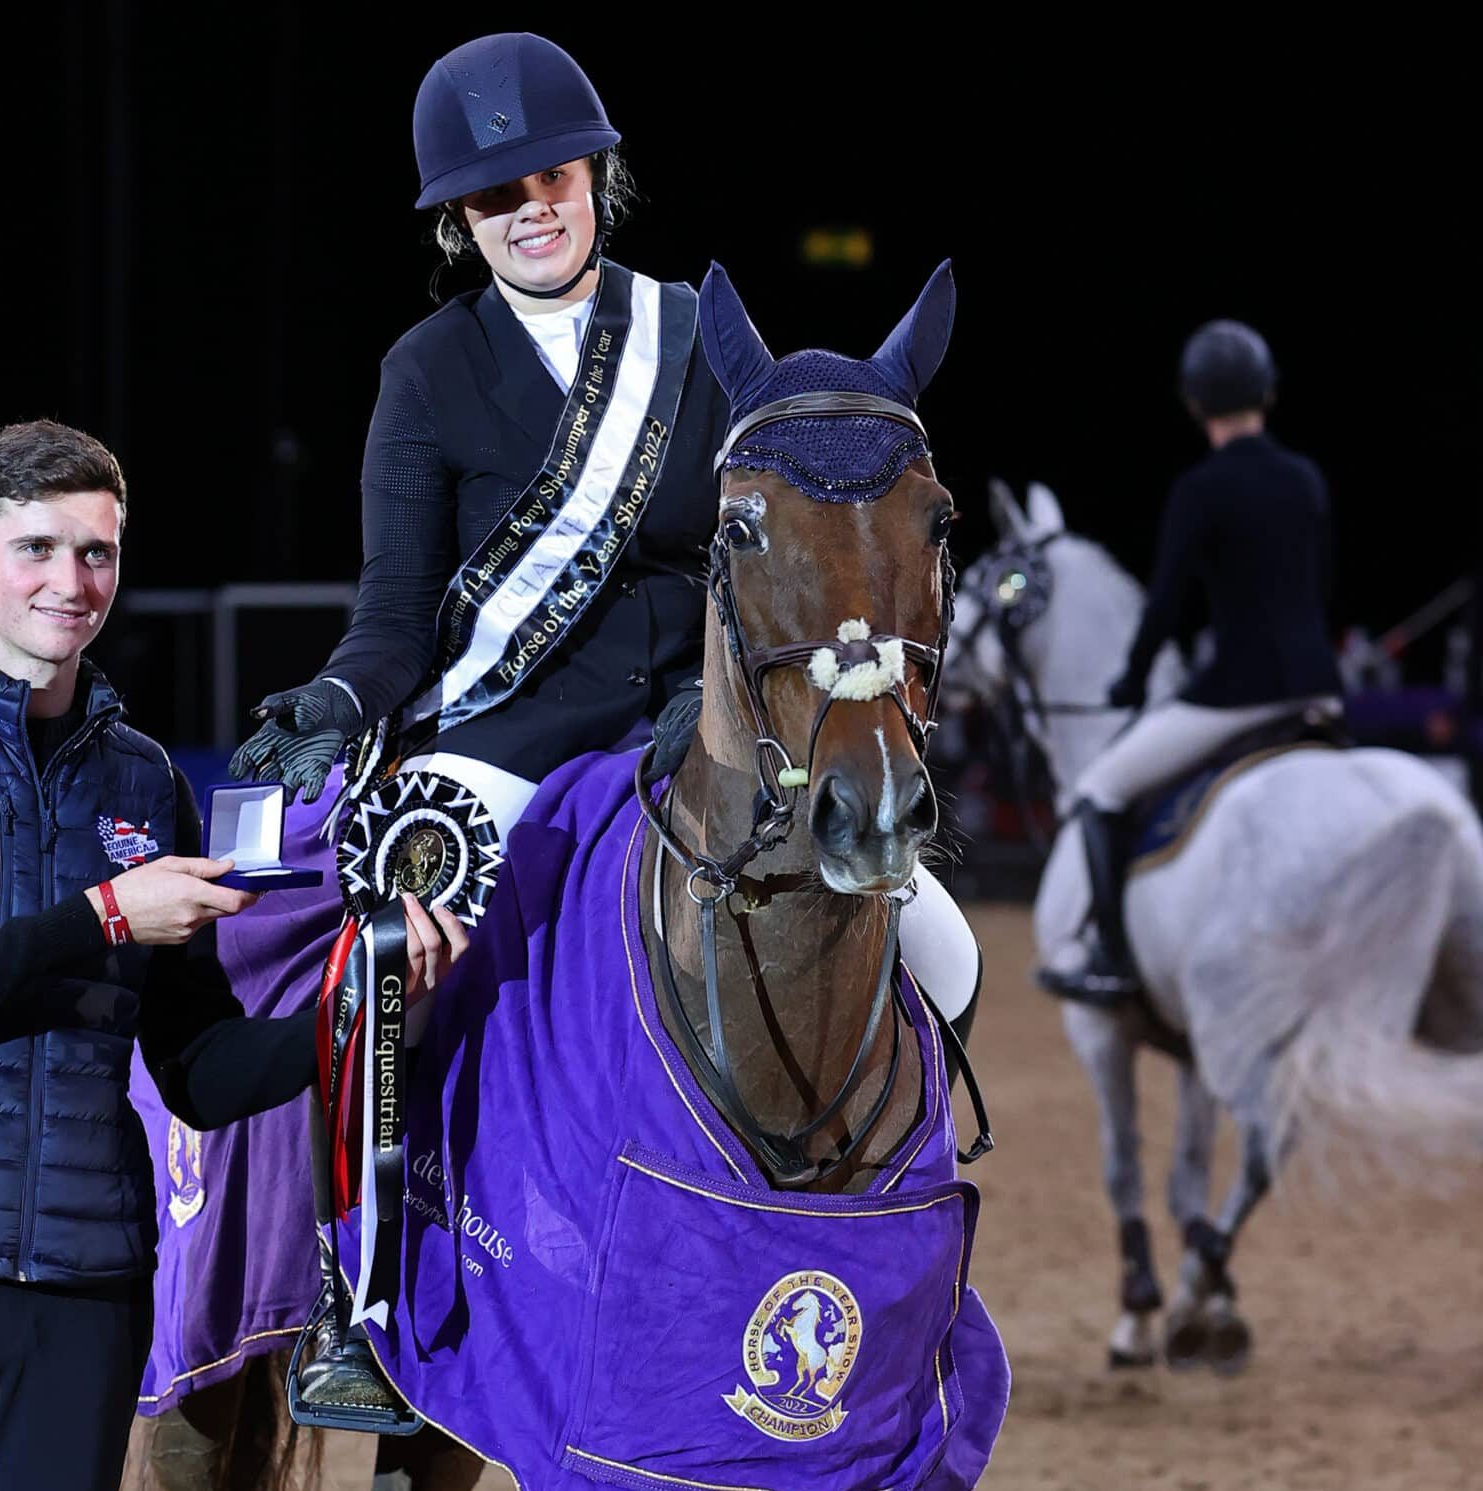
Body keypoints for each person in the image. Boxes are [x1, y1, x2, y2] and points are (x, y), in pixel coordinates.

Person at [222, 30, 984, 1423]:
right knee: (388, 947)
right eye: (497, 196)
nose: (533, 210)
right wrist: (341, 697)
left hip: (690, 727)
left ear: (597, 177)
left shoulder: (697, 339)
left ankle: (888, 1258)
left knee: (938, 940)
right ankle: (363, 1292)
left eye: (553, 178)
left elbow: (777, 550)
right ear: (460, 222)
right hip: (498, 745)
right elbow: (397, 614)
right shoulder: (427, 369)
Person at [0, 418, 468, 1490]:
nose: (71, 580)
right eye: (37, 549)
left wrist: (369, 1004)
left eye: (96, 552)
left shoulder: (146, 783)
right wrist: (102, 916)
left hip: (89, 1286)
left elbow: (198, 1071)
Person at [1047, 321, 1344, 998]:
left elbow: (1167, 603)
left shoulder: (1200, 488)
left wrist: (1132, 676)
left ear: (1193, 403)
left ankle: (1112, 959)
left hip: (1237, 694)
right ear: (1268, 391)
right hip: (1320, 694)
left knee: (1100, 790)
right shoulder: (1306, 478)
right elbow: (1320, 588)